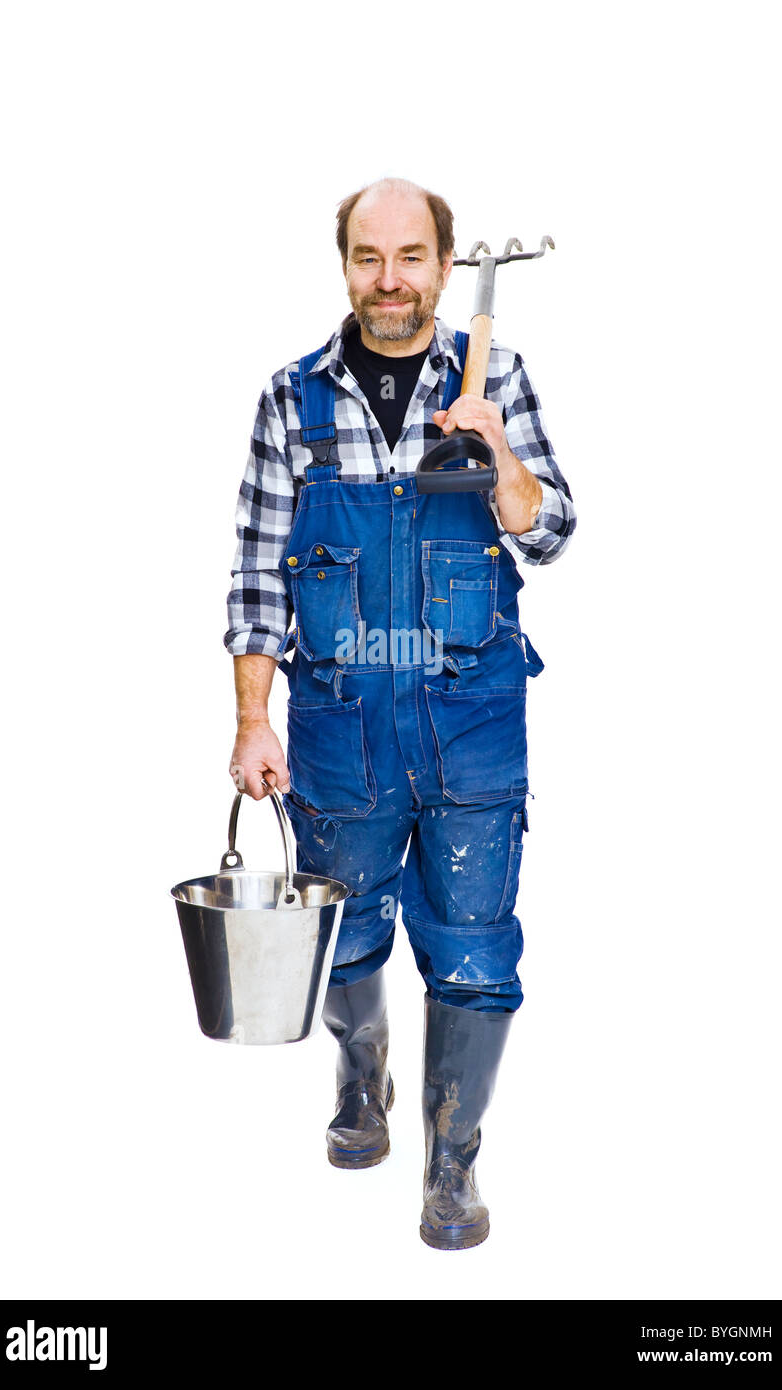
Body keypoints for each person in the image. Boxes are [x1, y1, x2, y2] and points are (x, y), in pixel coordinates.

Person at [224, 177, 576, 1250]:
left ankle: (451, 1164)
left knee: (472, 952)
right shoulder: (292, 397)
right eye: (367, 257)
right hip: (337, 728)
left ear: (441, 262)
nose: (390, 279)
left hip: (470, 728)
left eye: (411, 256)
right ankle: (362, 1072)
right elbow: (254, 578)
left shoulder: (494, 375)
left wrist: (492, 448)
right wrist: (252, 720)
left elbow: (549, 527)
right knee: (342, 943)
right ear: (344, 267)